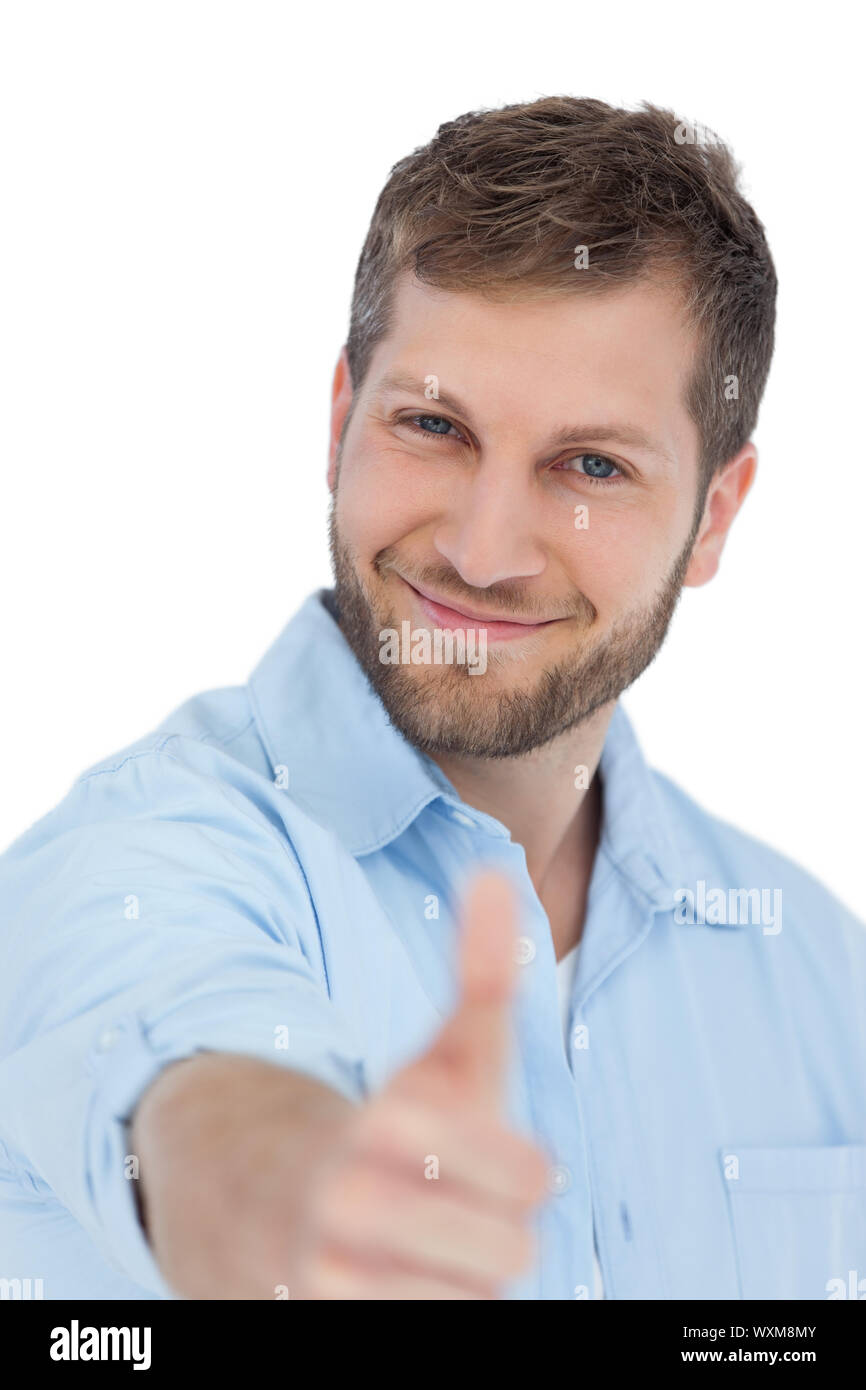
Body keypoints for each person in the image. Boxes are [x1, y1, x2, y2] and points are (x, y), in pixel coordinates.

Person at [1, 96, 863, 1302]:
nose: (482, 546)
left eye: (591, 465)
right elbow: (188, 1083)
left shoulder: (818, 970)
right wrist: (308, 1193)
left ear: (714, 513)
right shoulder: (126, 868)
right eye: (433, 425)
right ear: (341, 416)